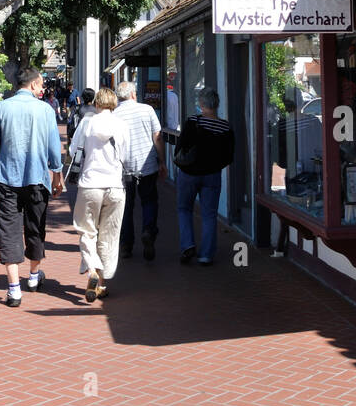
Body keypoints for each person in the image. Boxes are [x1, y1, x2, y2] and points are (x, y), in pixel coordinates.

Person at [0, 66, 64, 307]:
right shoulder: (45, 110)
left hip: (7, 178)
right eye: (40, 85)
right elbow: (53, 147)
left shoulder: (1, 108)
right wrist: (57, 175)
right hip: (37, 178)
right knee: (35, 227)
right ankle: (32, 276)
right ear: (31, 85)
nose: (42, 88)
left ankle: (14, 289)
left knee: (9, 231)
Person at [68, 87, 129, 302]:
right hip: (115, 186)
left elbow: (73, 151)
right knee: (109, 235)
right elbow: (126, 155)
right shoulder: (121, 125)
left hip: (90, 184)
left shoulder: (87, 123)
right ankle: (102, 282)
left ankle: (93, 270)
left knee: (87, 230)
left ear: (96, 103)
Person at [174, 88, 235, 265]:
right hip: (212, 176)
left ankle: (187, 245)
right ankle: (206, 255)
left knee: (184, 209)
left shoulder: (193, 121)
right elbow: (229, 155)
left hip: (188, 174)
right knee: (209, 214)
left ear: (201, 104)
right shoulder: (226, 127)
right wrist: (215, 166)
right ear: (217, 104)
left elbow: (181, 145)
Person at [115, 80, 166, 261]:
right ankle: (148, 231)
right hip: (148, 166)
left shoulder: (115, 114)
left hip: (124, 168)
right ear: (133, 94)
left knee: (126, 207)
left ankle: (126, 245)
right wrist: (162, 161)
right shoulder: (147, 110)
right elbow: (157, 137)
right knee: (149, 201)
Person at [64, 88, 96, 212]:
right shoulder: (97, 111)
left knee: (80, 170)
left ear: (82, 97)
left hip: (80, 145)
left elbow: (71, 124)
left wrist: (70, 138)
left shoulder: (78, 109)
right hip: (93, 144)